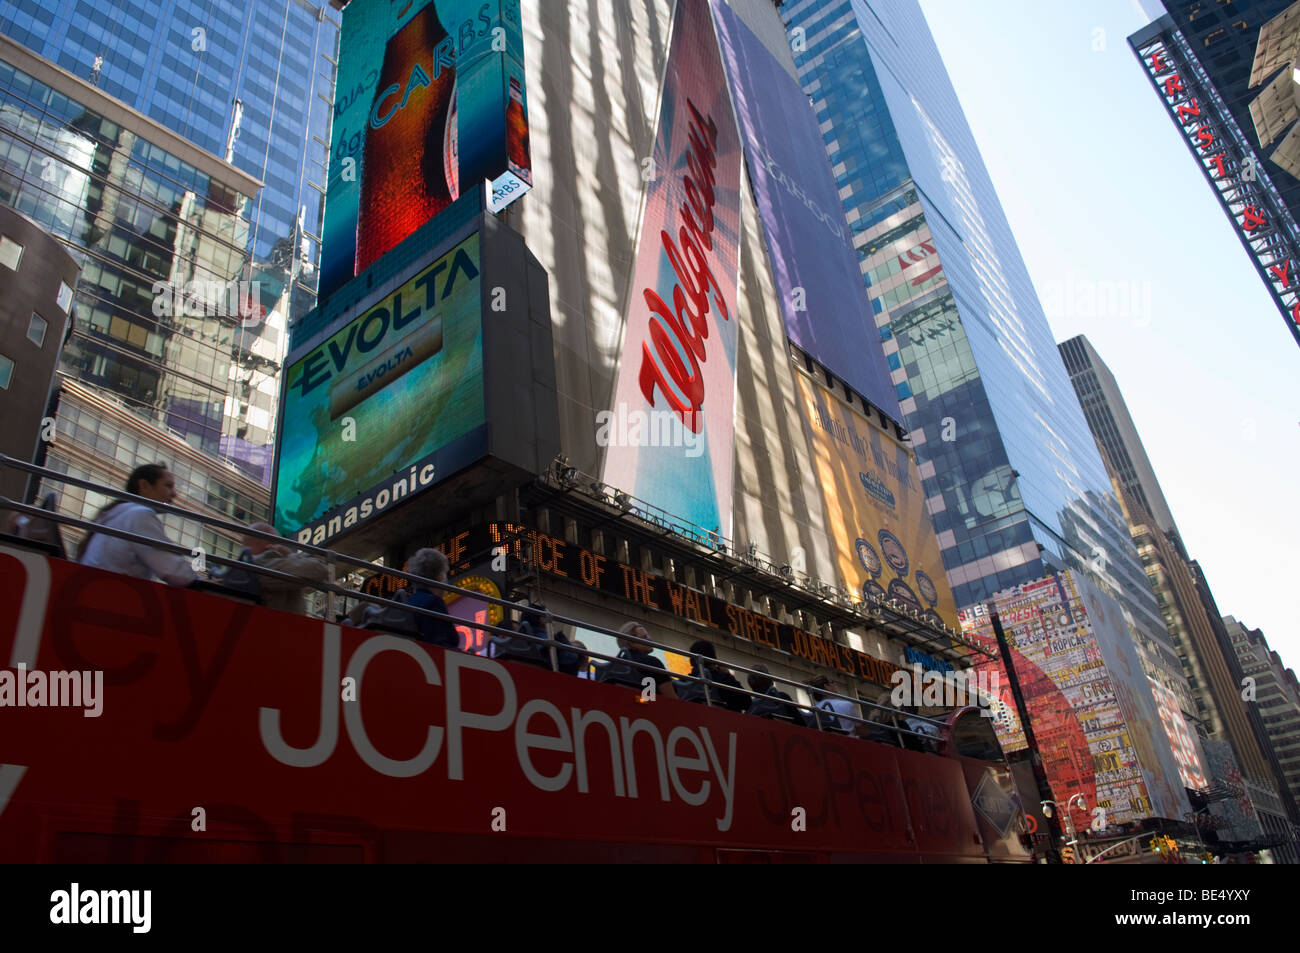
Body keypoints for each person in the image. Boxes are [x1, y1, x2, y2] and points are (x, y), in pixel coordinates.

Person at [78, 463, 197, 586]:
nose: (174, 494)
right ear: (144, 485)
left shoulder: (115, 514)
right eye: (168, 486)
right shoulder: (140, 515)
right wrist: (203, 583)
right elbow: (175, 571)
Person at [238, 522, 330, 615]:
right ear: (270, 545)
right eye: (278, 542)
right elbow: (319, 569)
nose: (281, 546)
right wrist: (290, 555)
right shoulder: (263, 563)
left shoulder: (244, 568)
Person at [401, 548, 460, 649]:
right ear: (439, 576)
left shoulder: (406, 602)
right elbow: (442, 645)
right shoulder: (433, 603)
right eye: (445, 574)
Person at [613, 621, 677, 698]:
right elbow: (672, 698)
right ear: (630, 642)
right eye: (644, 637)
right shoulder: (652, 662)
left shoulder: (616, 664)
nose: (650, 639)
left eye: (648, 636)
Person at [688, 640, 749, 712]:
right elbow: (746, 702)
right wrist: (728, 675)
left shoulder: (684, 681)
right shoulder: (720, 679)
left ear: (691, 661)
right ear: (713, 660)